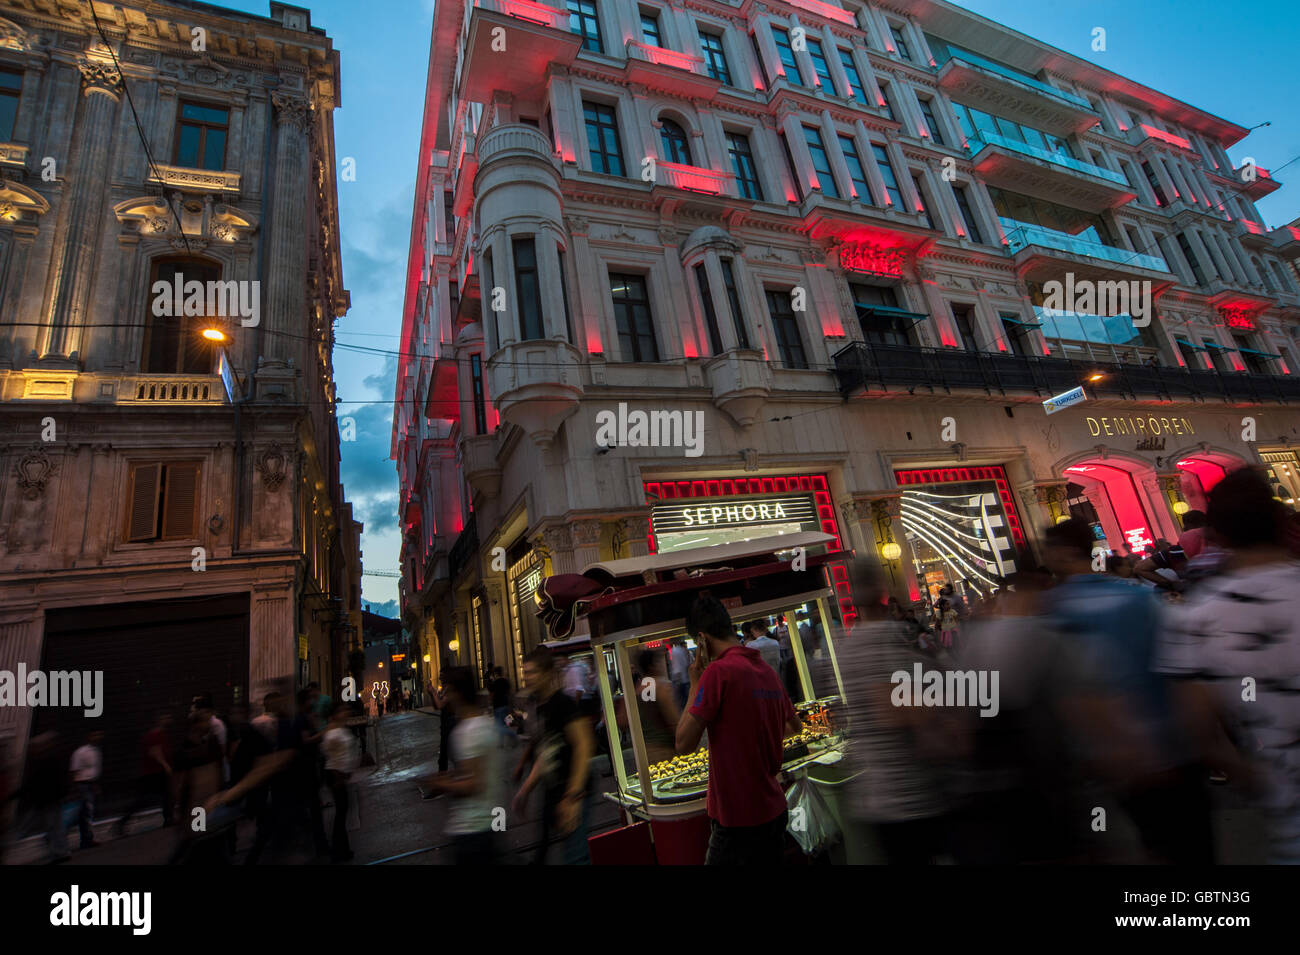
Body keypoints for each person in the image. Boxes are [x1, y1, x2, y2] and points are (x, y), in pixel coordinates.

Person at [1042, 518, 1212, 864]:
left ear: (1061, 553)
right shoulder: (1135, 597)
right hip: (1171, 752)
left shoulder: (1053, 613)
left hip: (1111, 765)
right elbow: (1182, 676)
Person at [1157, 467, 1300, 863]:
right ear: (1281, 523)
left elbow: (1201, 734)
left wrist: (1265, 783)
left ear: (1215, 535)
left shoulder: (1196, 620)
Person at [837, 561, 953, 864]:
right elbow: (900, 712)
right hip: (912, 793)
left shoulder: (844, 649)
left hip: (873, 796)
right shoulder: (892, 638)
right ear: (881, 590)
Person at [675, 596, 801, 865]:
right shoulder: (765, 670)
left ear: (701, 640)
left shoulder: (718, 673)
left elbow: (683, 743)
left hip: (737, 821)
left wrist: (695, 684)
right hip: (775, 809)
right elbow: (794, 726)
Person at [512, 646, 596, 865]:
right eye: (525, 672)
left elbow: (584, 745)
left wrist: (573, 796)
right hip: (554, 791)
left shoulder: (563, 704)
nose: (526, 678)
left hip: (575, 790)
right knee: (548, 845)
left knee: (576, 856)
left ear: (548, 674)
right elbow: (546, 752)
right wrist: (525, 789)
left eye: (531, 672)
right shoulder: (537, 707)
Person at [427, 667, 501, 864]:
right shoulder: (485, 723)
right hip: (490, 822)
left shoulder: (467, 732)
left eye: (448, 691)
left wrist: (440, 784)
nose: (445, 697)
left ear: (458, 693)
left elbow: (473, 783)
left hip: (472, 828)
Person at [118, 712, 175, 835]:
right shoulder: (154, 735)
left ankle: (168, 819)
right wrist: (166, 766)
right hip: (154, 773)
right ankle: (123, 822)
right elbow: (154, 752)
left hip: (155, 772)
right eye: (166, 717)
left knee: (166, 796)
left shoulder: (161, 734)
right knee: (146, 799)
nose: (169, 719)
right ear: (159, 720)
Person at [22, 731, 69, 863]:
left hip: (47, 800)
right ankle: (62, 851)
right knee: (55, 825)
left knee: (52, 826)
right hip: (50, 799)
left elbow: (40, 782)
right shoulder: (50, 758)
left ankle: (59, 852)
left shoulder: (45, 759)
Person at [322, 703, 359, 862]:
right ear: (335, 714)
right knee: (341, 812)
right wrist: (338, 777)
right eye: (342, 710)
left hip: (341, 775)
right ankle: (339, 850)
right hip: (336, 776)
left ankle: (342, 849)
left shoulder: (339, 728)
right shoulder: (332, 733)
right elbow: (331, 757)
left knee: (343, 812)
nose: (346, 713)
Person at [69, 730, 103, 850]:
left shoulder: (96, 751)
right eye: (95, 734)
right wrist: (76, 788)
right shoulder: (80, 752)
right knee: (85, 812)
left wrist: (95, 784)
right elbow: (75, 770)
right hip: (83, 784)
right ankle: (86, 839)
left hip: (90, 784)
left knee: (86, 812)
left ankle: (86, 839)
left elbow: (94, 769)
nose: (98, 737)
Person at [489, 667, 513, 746]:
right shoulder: (507, 681)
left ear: (496, 674)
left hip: (498, 706)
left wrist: (490, 704)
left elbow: (491, 694)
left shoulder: (495, 682)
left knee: (499, 725)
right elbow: (510, 693)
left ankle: (511, 737)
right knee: (507, 724)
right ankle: (504, 742)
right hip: (506, 705)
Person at [668, 639, 691, 711]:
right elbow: (687, 664)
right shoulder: (682, 650)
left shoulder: (673, 651)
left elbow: (677, 668)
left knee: (681, 702)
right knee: (687, 700)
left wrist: (677, 681)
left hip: (679, 680)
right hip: (686, 679)